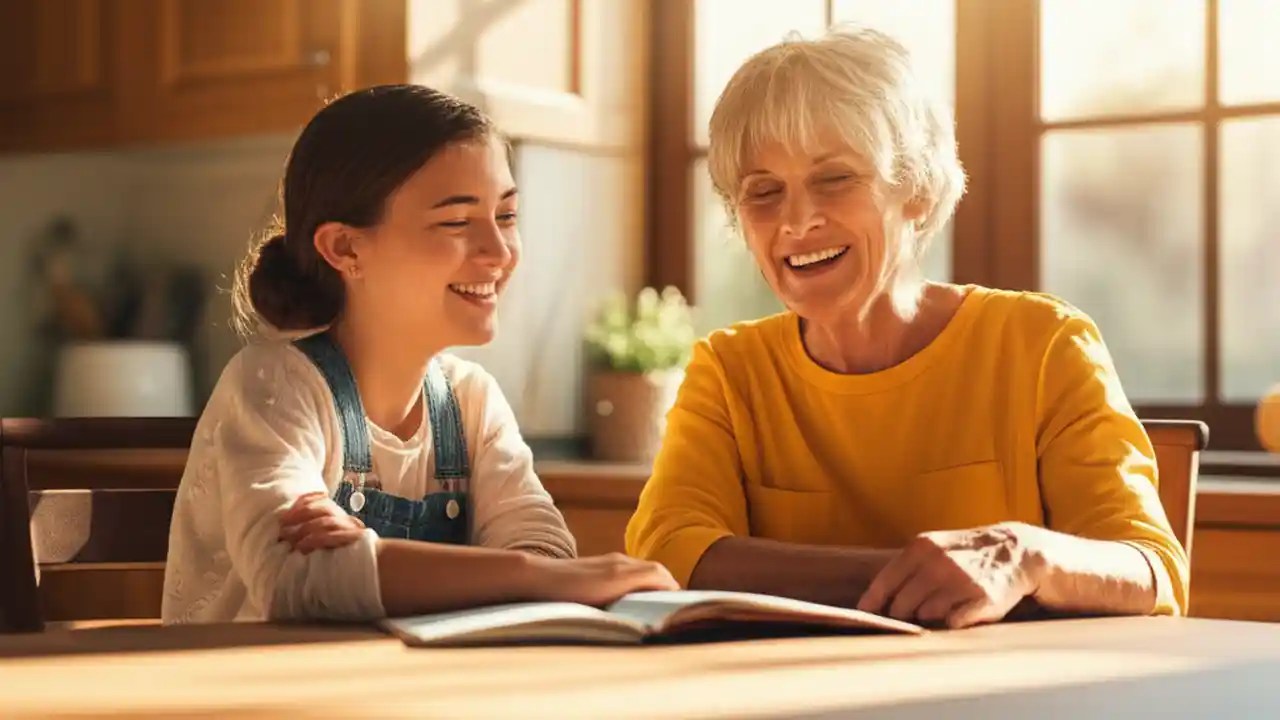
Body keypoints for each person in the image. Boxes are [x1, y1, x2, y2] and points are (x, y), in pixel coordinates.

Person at [625, 27, 1188, 629]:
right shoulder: (729, 370)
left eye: (834, 178)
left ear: (917, 188)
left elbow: (1151, 569)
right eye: (763, 191)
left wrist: (1022, 555)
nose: (796, 219)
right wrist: (909, 577)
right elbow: (667, 551)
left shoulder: (1043, 344)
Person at [163, 85, 675, 624]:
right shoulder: (272, 384)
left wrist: (371, 558)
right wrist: (526, 575)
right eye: (456, 222)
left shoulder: (472, 400)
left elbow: (544, 548)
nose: (499, 253)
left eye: (505, 216)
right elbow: (300, 580)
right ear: (345, 248)